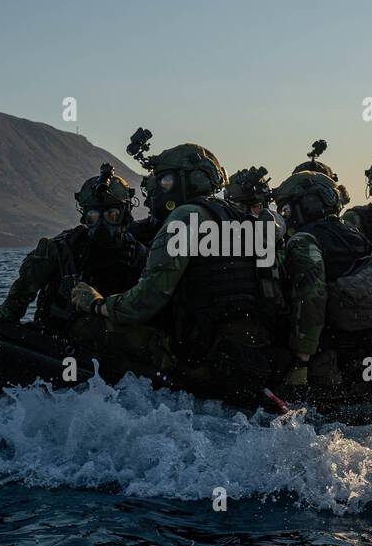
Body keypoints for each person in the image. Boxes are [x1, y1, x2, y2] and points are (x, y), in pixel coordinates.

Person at [68, 143, 291, 400]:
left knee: (86, 326)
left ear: (185, 181)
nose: (159, 189)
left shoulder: (185, 218)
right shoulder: (244, 221)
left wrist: (97, 304)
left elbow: (146, 301)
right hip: (255, 357)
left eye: (164, 181)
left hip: (201, 360)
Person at [272, 171, 372, 390]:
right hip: (368, 339)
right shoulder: (351, 231)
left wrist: (301, 360)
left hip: (329, 345)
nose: (286, 215)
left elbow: (311, 298)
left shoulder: (303, 240)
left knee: (322, 403)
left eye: (286, 209)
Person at [0, 165, 146, 346]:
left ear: (125, 215)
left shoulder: (140, 256)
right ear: (85, 217)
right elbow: (18, 298)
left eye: (112, 215)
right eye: (94, 217)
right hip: (57, 341)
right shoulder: (62, 249)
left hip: (111, 346)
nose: (103, 224)